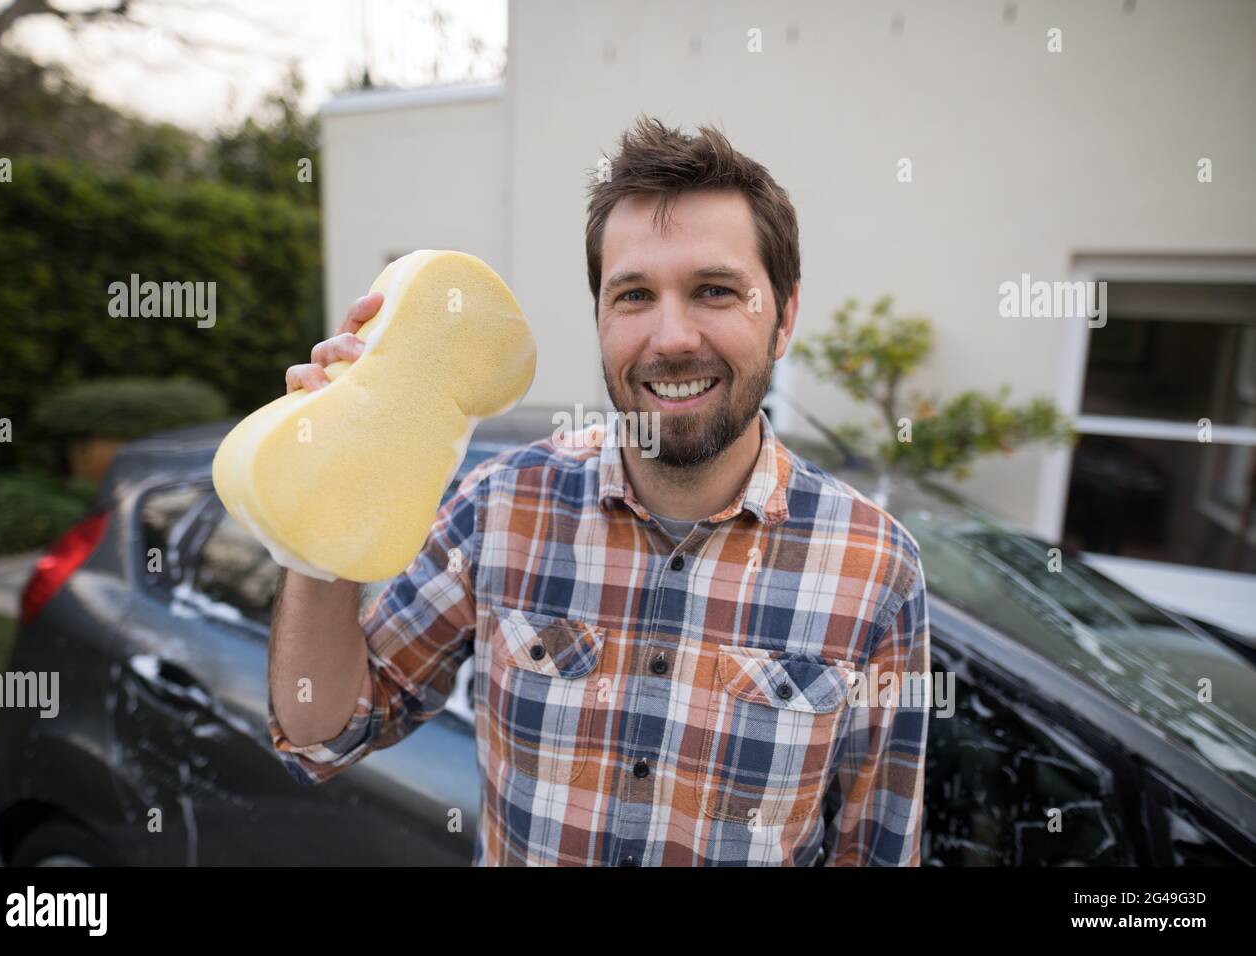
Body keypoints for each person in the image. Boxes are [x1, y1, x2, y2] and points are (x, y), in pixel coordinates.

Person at [267, 116, 930, 866]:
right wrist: (326, 503)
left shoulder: (877, 567)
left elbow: (875, 850)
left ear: (784, 317)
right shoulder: (503, 507)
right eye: (635, 295)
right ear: (601, 318)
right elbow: (324, 736)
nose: (672, 336)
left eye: (714, 290)